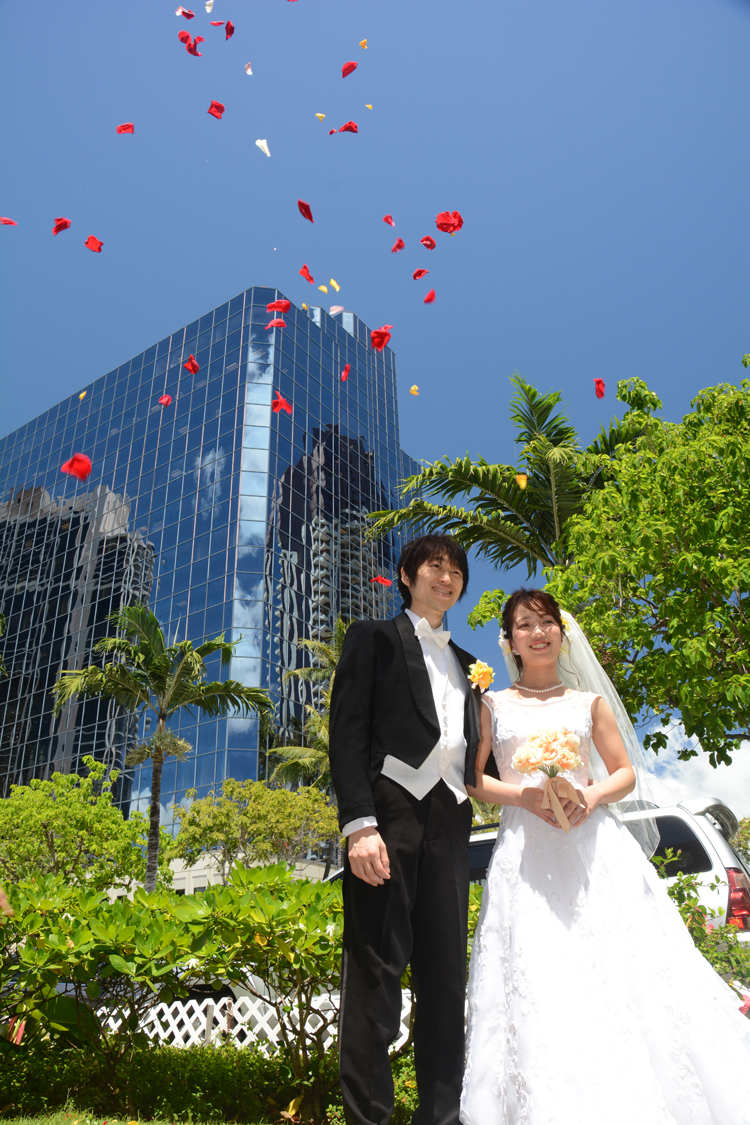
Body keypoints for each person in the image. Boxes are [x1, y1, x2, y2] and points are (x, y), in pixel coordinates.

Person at [460, 587, 750, 1125]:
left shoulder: (587, 703)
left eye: (547, 622)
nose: (538, 632)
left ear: (562, 634)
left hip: (596, 848)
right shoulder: (491, 704)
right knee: (539, 973)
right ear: (511, 642)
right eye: (525, 625)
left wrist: (590, 796)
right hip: (526, 851)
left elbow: (623, 771)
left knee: (625, 966)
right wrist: (524, 795)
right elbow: (476, 779)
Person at [330, 534, 483, 1125]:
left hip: (453, 823)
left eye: (455, 572)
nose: (445, 578)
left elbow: (484, 757)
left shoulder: (473, 666)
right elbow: (347, 733)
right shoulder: (373, 639)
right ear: (406, 574)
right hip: (388, 820)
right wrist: (359, 825)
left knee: (446, 980)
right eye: (434, 567)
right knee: (376, 975)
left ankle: (441, 1116)